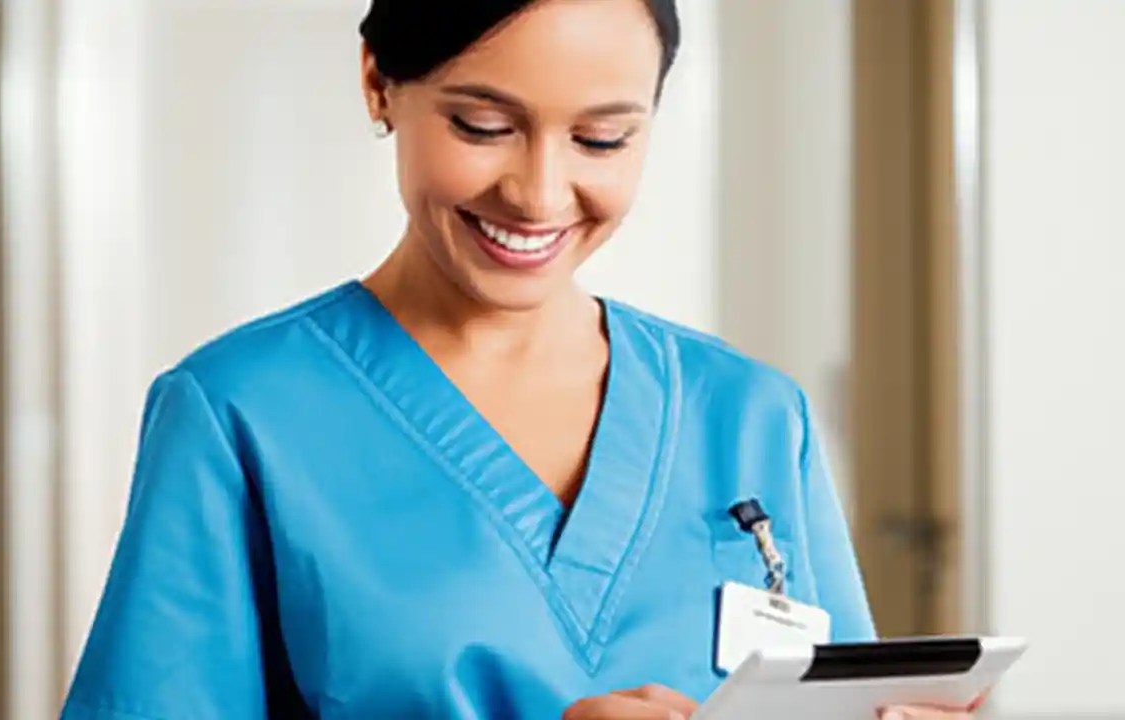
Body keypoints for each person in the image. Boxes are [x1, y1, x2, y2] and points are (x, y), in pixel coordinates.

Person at [60, 1, 982, 718]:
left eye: (601, 139)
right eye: (483, 126)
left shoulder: (748, 414)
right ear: (379, 83)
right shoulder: (241, 415)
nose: (539, 194)